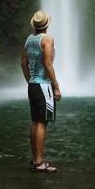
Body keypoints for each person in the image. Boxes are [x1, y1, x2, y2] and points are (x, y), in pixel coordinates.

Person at [20, 9, 62, 173]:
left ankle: (35, 160)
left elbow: (23, 63)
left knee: (35, 122)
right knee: (42, 123)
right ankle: (39, 163)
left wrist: (30, 80)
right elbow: (48, 63)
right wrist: (56, 86)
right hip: (44, 86)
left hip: (33, 85)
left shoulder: (29, 39)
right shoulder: (47, 39)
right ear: (47, 25)